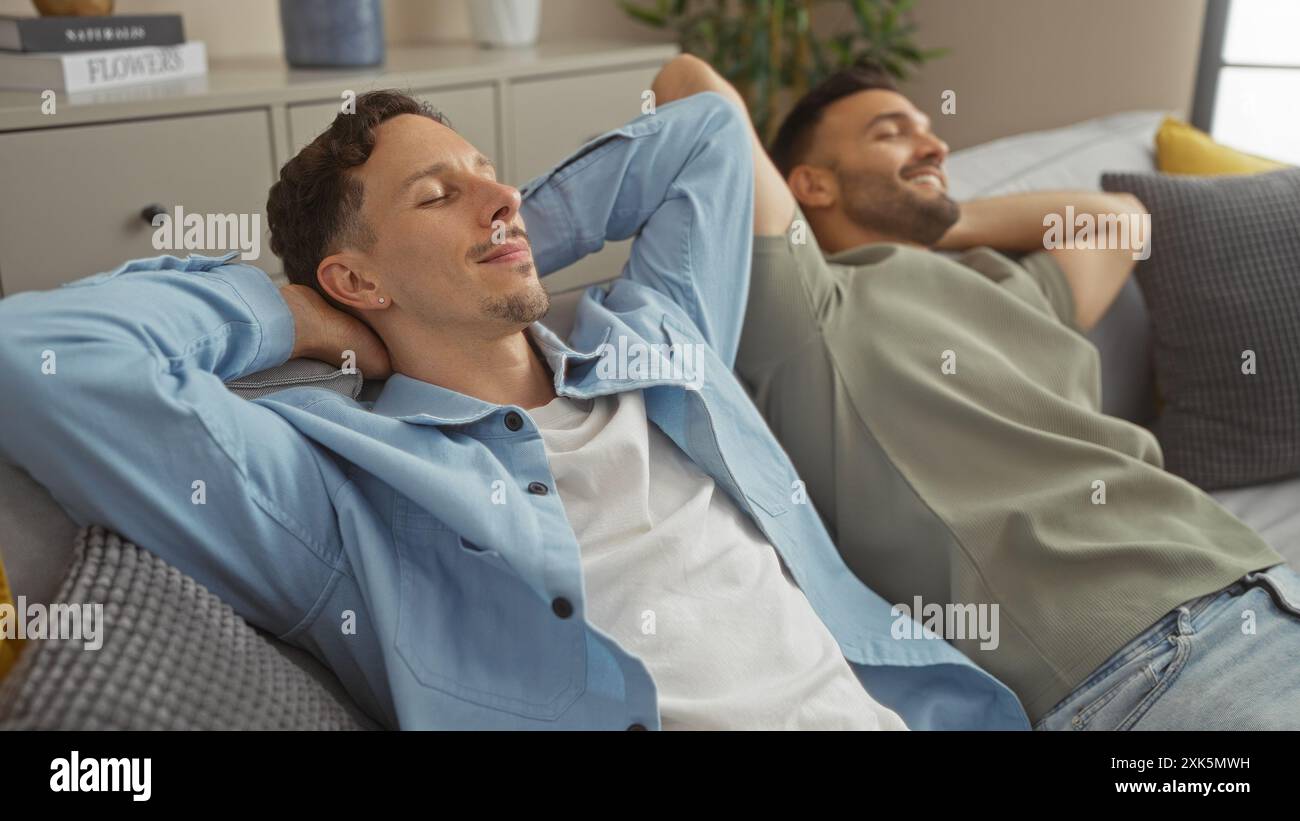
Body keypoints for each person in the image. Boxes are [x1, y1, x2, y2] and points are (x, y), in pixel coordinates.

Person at [0, 57, 1027, 730]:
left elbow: (704, 131)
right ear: (355, 280)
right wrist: (292, 312)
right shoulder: (344, 488)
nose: (503, 197)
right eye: (435, 195)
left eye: (491, 173)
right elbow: (38, 353)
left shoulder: (657, 342)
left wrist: (490, 234)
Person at [657, 54, 1300, 730]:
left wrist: (946, 220)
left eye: (929, 131)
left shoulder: (1003, 285)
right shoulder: (804, 308)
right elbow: (687, 82)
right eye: (890, 132)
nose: (934, 143)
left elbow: (1123, 221)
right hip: (1154, 660)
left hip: (1260, 589)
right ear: (811, 185)